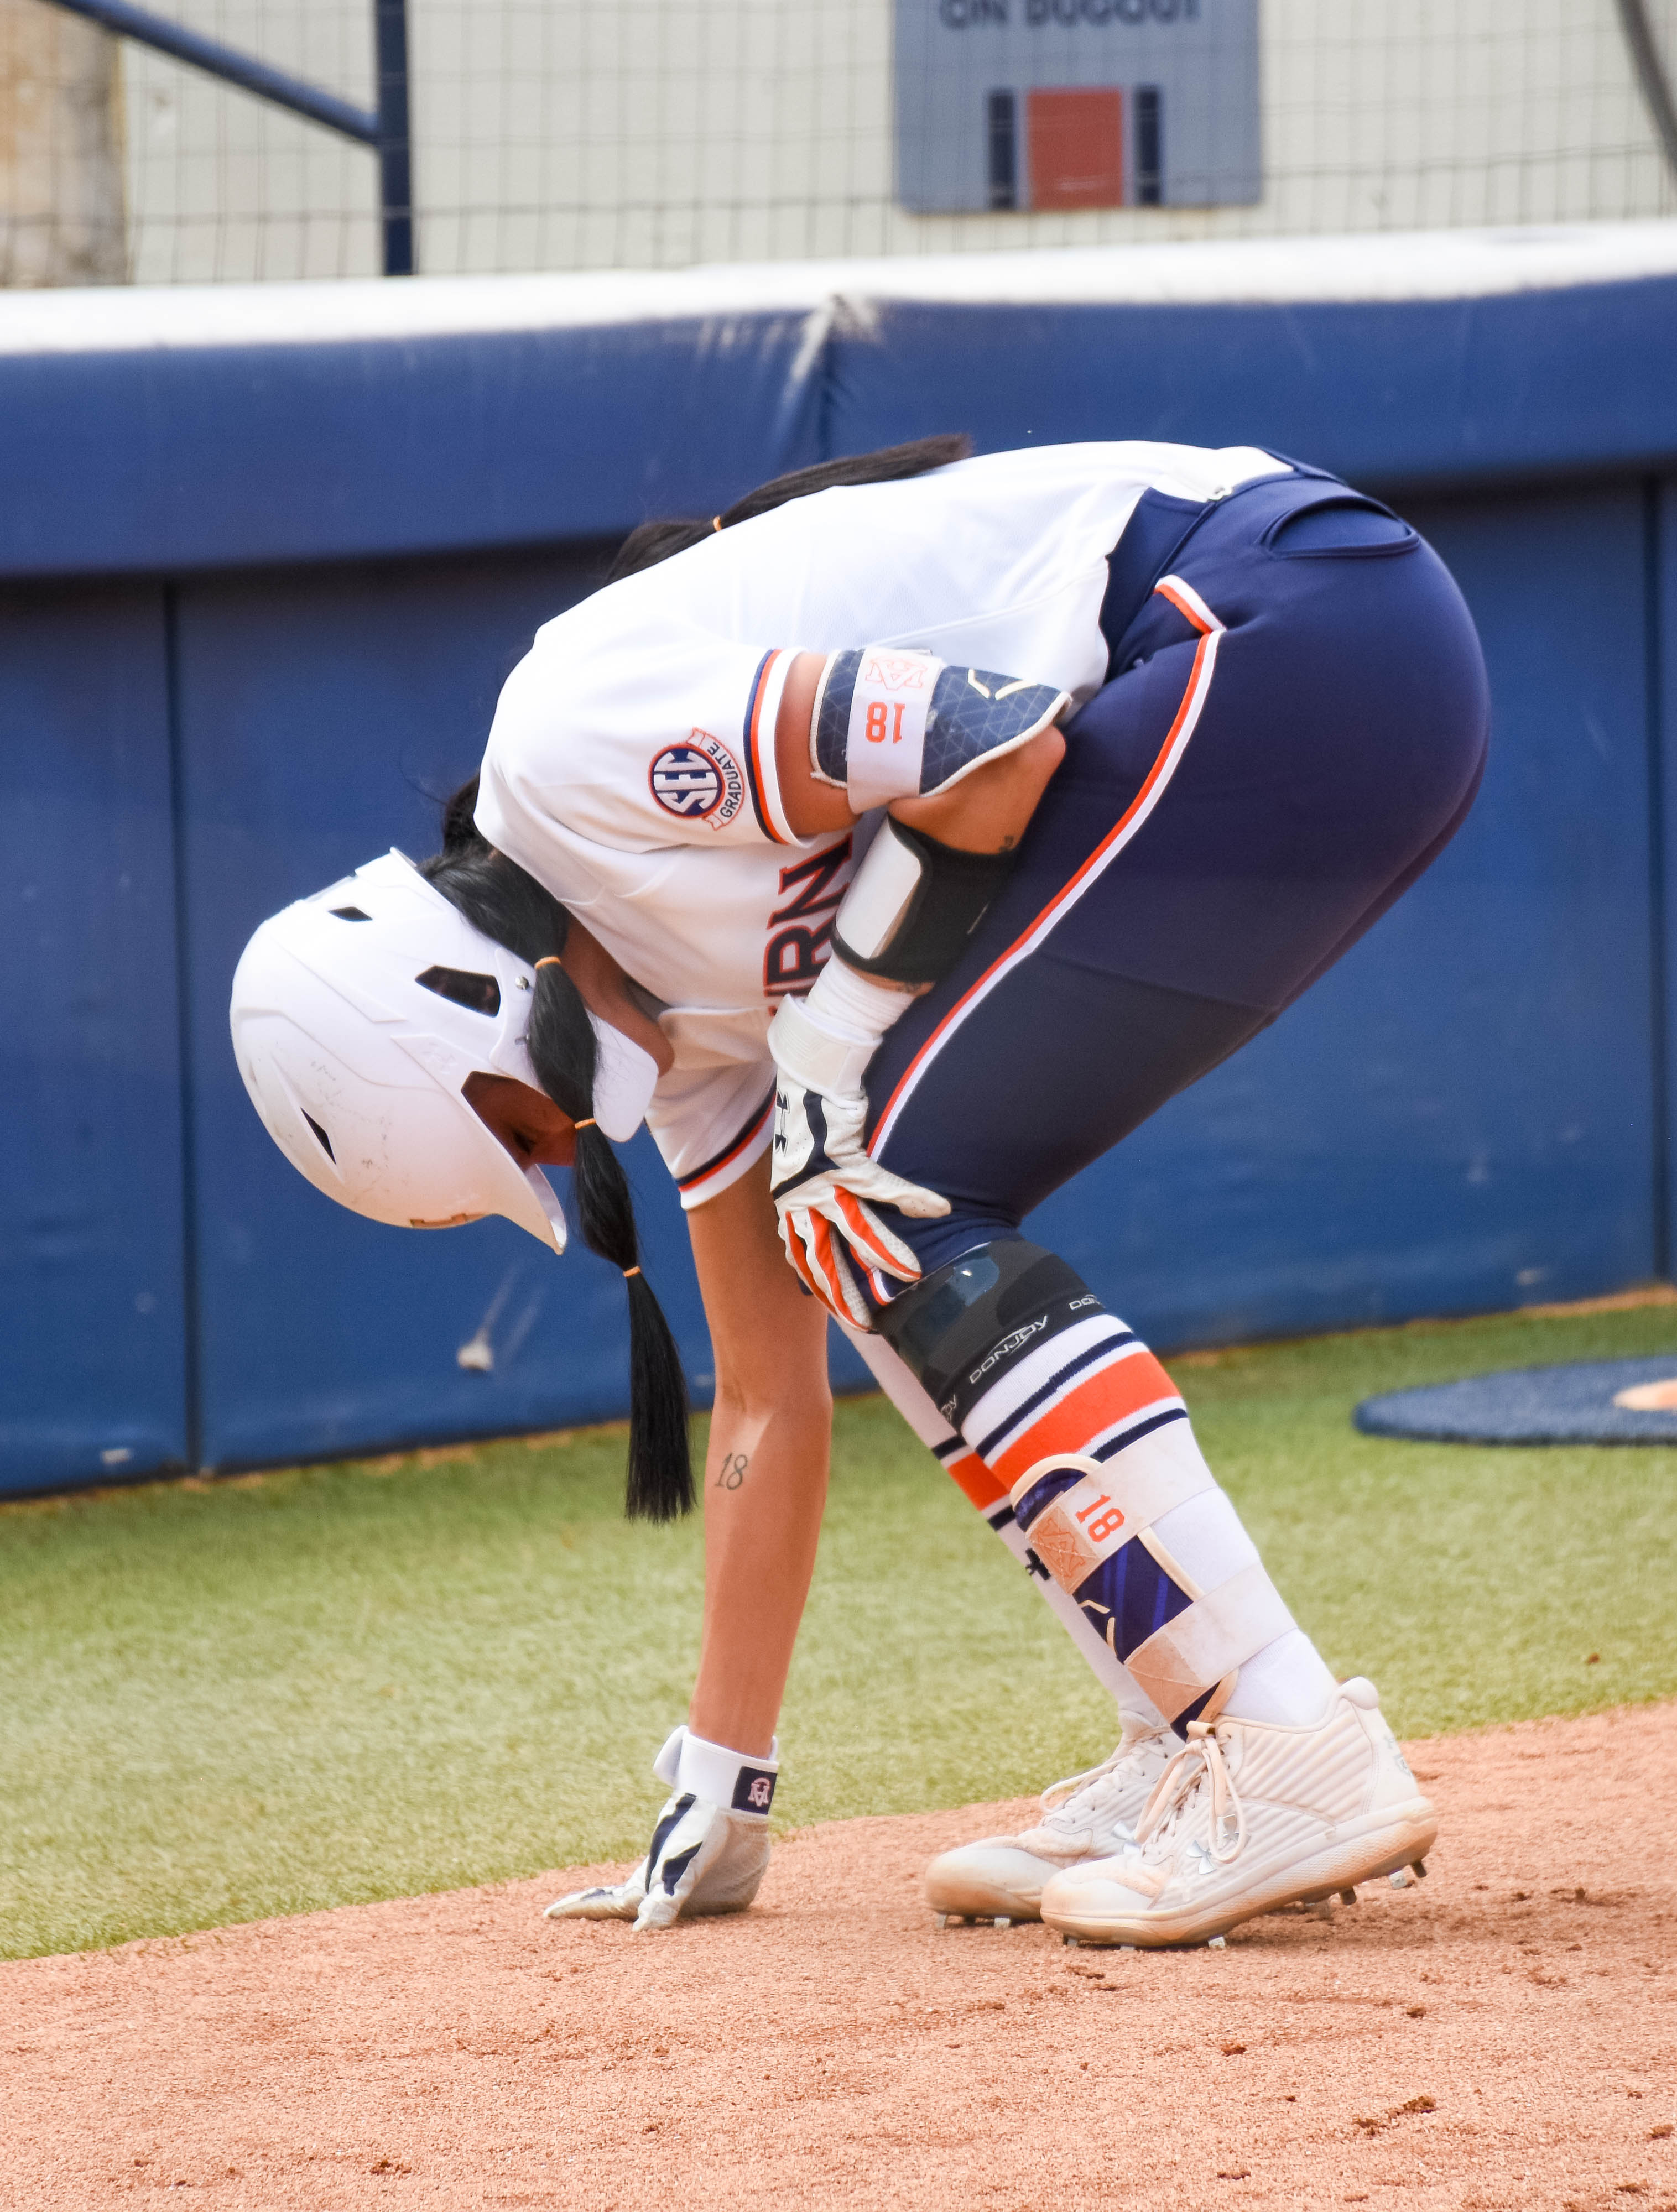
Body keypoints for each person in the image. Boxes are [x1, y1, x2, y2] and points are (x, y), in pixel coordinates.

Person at [230, 434, 1487, 1948]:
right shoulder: (673, 1038)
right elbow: (768, 1393)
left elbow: (994, 744)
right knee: (856, 1207)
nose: (563, 1152)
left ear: (447, 1007)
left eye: (522, 1133)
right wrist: (723, 1784)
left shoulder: (570, 749)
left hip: (1283, 624)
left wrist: (827, 1048)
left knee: (878, 1171)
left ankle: (1283, 1737)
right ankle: (1194, 1734)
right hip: (1304, 668)